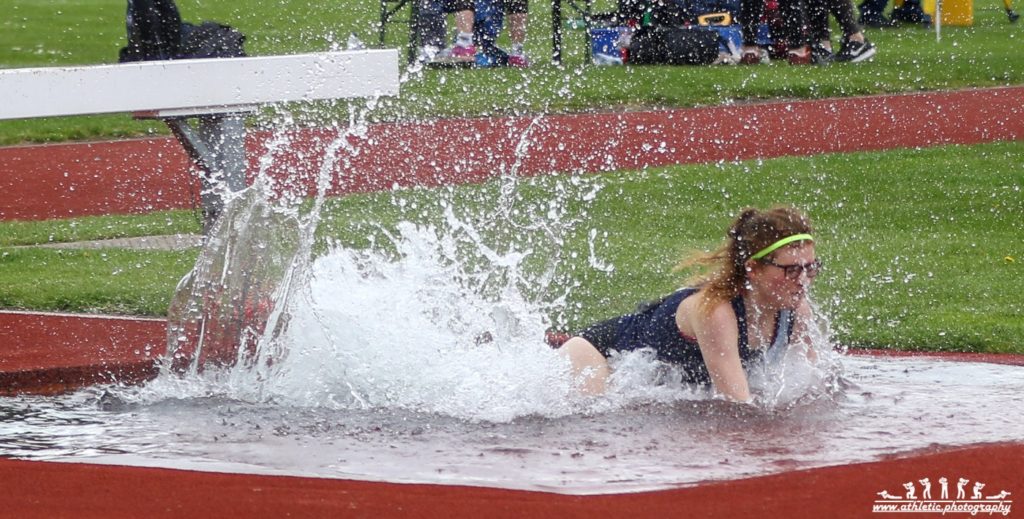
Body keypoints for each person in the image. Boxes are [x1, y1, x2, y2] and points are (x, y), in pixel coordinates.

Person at [559, 206, 822, 401]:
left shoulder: (798, 312)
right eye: (791, 270)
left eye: (810, 268)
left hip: (645, 376)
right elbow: (737, 405)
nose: (803, 281)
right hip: (594, 355)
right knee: (598, 419)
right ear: (752, 268)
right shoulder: (717, 312)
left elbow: (816, 386)